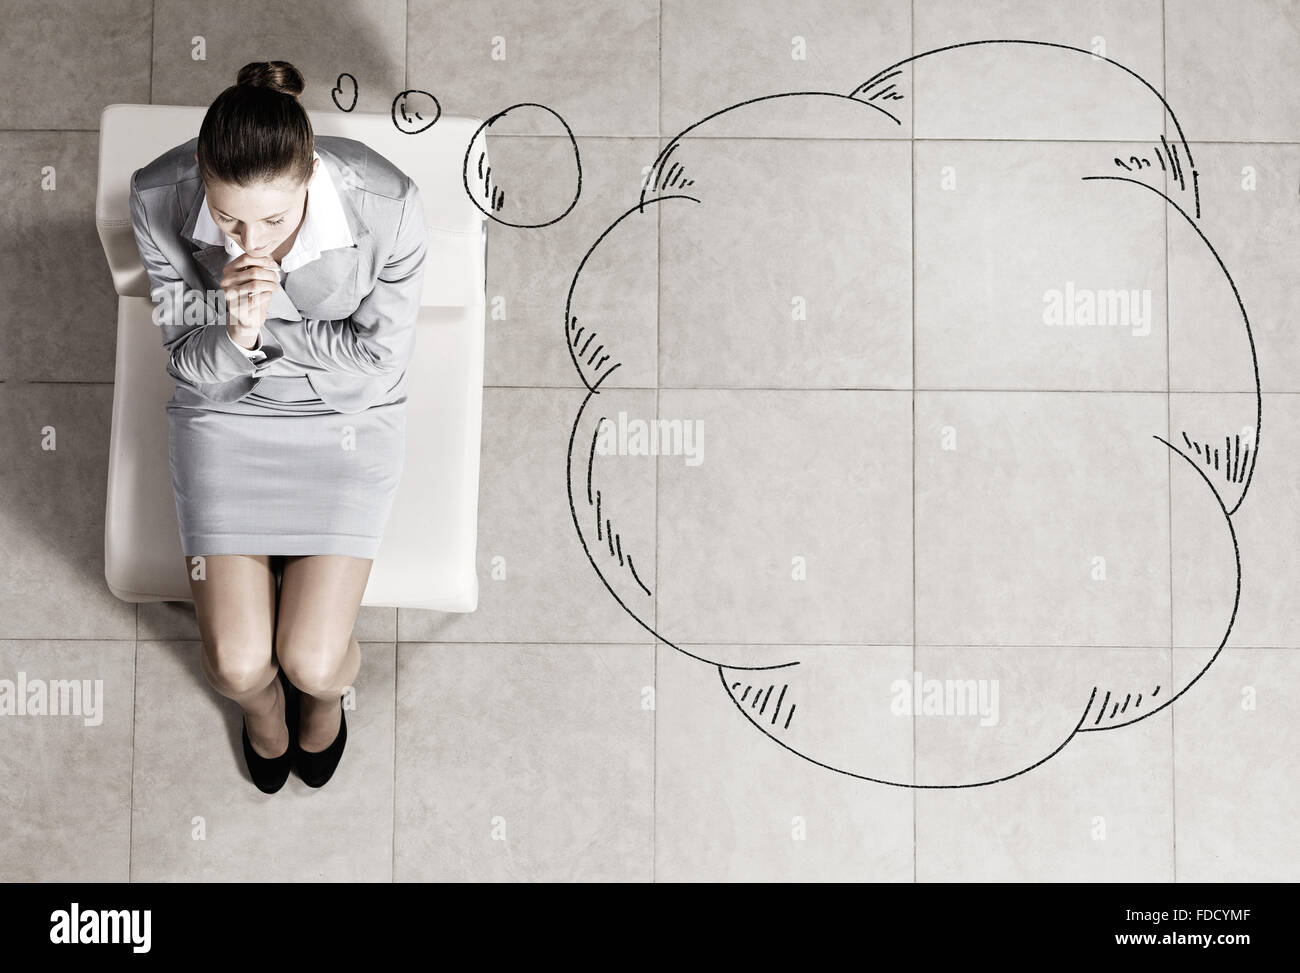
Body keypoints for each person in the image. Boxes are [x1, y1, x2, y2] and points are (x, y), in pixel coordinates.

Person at [128, 60, 428, 793]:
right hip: (226, 416)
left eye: (274, 219)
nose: (249, 241)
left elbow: (375, 358)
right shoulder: (157, 196)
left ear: (309, 177)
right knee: (234, 663)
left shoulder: (386, 204)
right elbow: (185, 361)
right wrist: (231, 335)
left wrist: (269, 330)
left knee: (315, 660)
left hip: (342, 416)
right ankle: (264, 710)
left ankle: (320, 699)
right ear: (202, 172)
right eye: (230, 219)